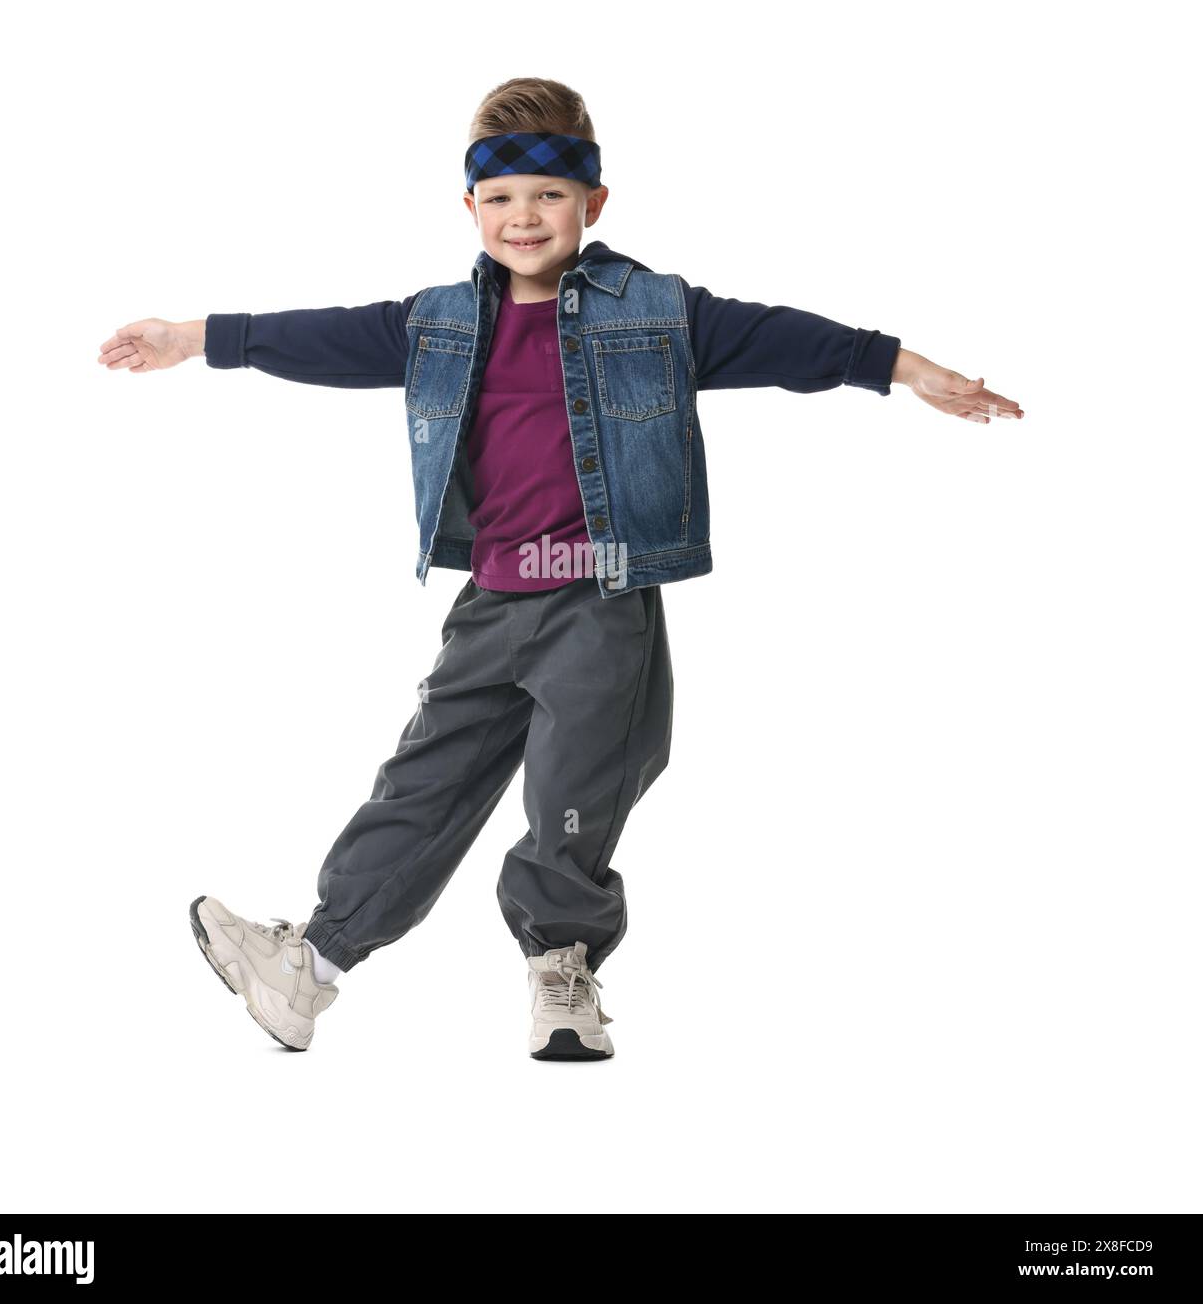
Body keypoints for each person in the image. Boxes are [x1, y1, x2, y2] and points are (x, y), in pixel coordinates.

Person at [97, 77, 1024, 1059]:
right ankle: (309, 970)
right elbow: (321, 334)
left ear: (593, 203)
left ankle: (562, 974)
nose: (524, 216)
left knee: (576, 790)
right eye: (500, 198)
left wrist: (909, 369)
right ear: (470, 210)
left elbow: (788, 338)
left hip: (599, 598)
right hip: (493, 598)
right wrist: (195, 339)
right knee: (422, 781)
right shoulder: (441, 322)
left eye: (548, 194)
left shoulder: (656, 313)